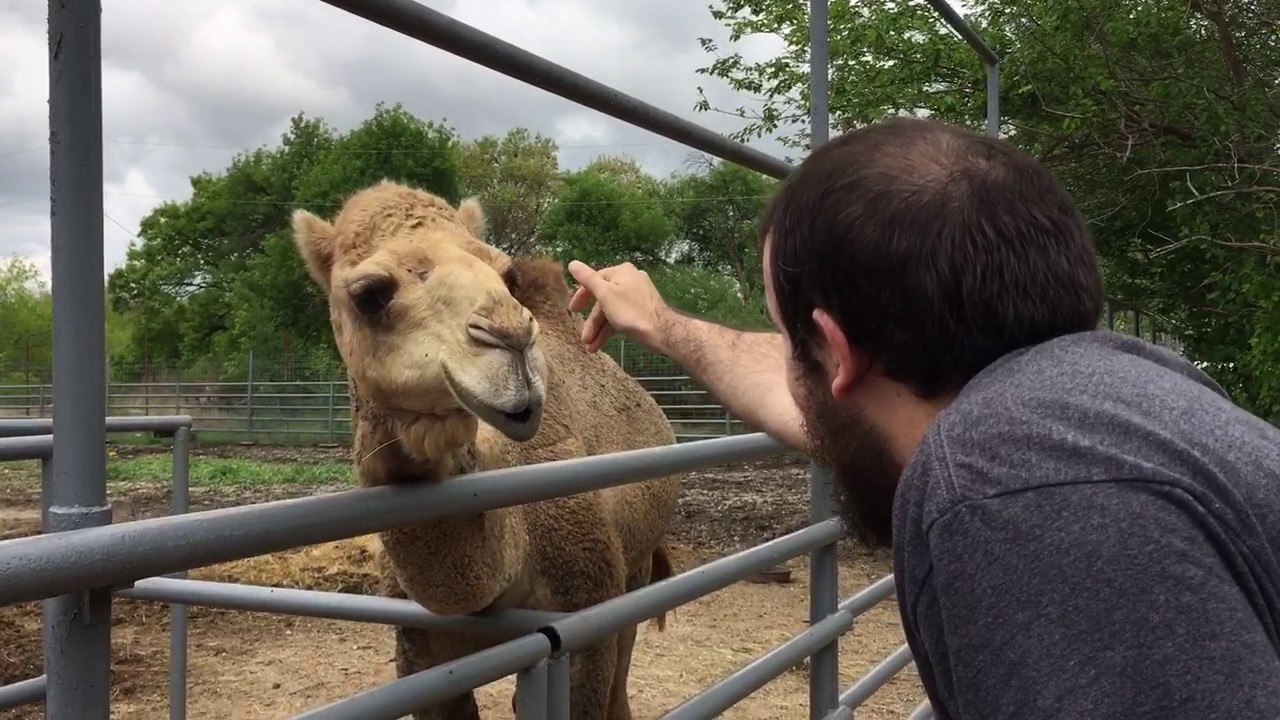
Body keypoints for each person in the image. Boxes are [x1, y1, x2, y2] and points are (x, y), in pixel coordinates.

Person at [565, 116, 1280, 719]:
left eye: (789, 339)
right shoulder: (1113, 406)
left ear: (837, 352)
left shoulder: (1017, 497)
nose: (788, 362)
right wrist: (665, 325)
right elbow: (835, 404)